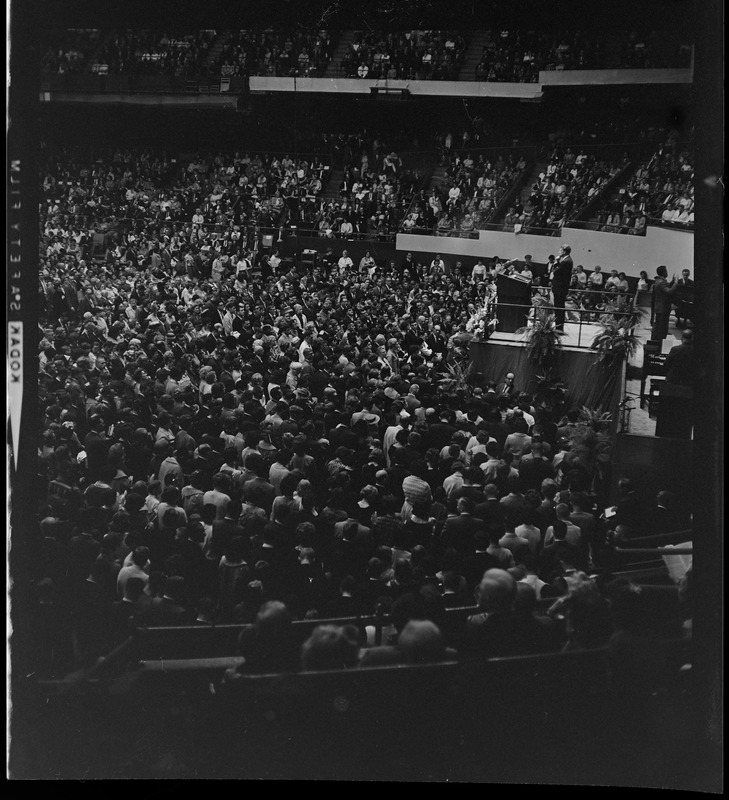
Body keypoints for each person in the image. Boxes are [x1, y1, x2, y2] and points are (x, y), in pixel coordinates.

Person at [651, 265, 679, 341]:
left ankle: (655, 339)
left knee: (658, 324)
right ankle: (659, 341)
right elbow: (669, 291)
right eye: (666, 271)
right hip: (663, 307)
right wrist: (676, 284)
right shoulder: (661, 282)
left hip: (659, 307)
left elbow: (666, 287)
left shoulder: (658, 281)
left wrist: (672, 281)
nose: (667, 273)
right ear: (663, 272)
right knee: (662, 326)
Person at [550, 245, 574, 330]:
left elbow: (555, 272)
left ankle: (559, 327)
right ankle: (558, 326)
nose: (559, 251)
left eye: (560, 250)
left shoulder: (566, 261)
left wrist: (556, 262)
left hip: (560, 288)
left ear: (564, 251)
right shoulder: (565, 260)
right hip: (560, 288)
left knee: (559, 307)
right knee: (558, 307)